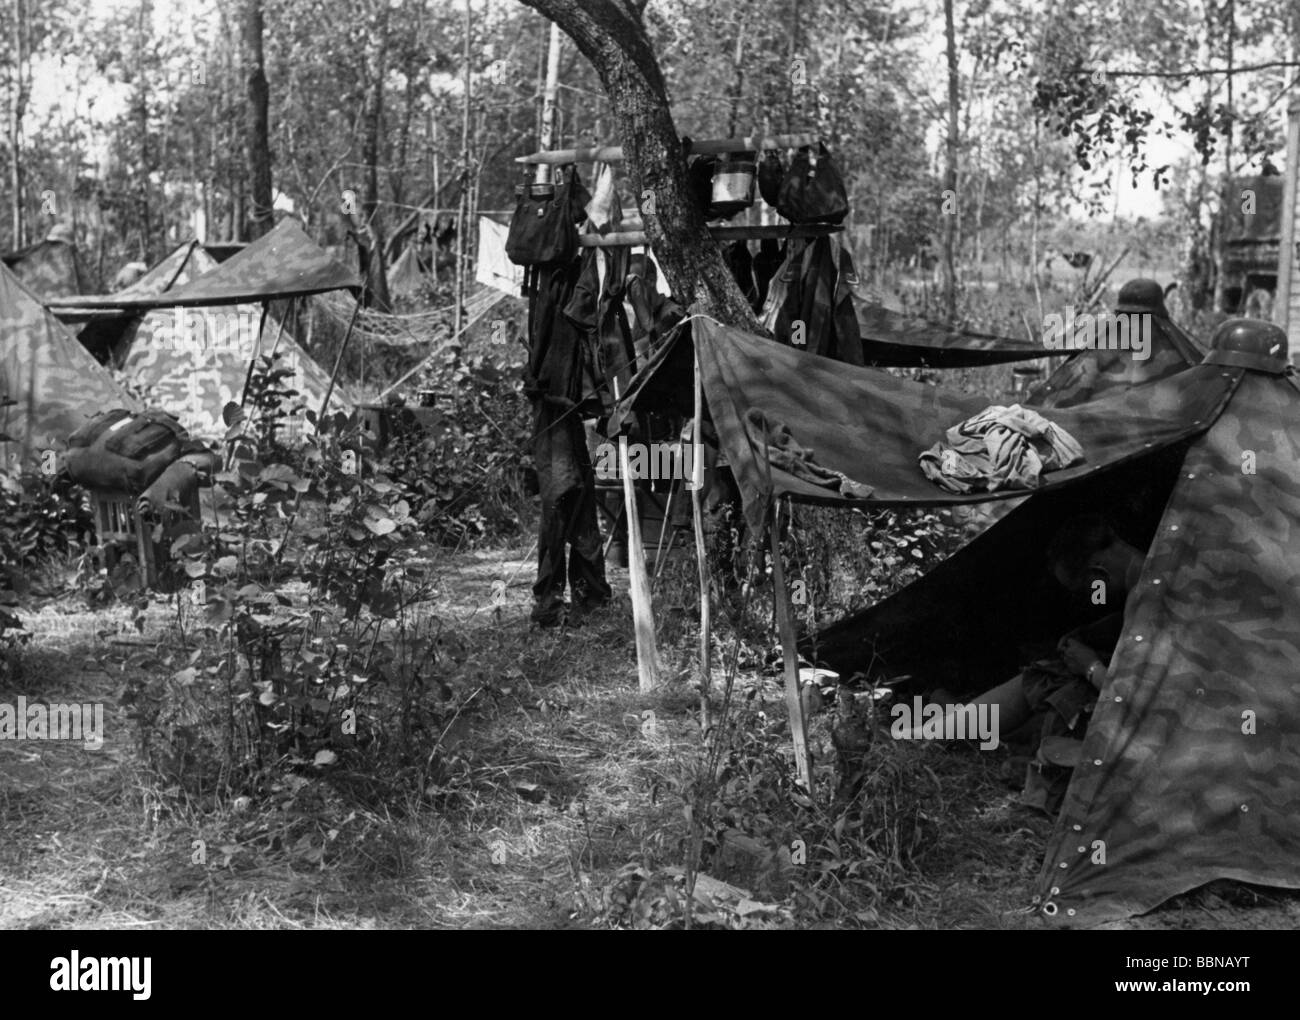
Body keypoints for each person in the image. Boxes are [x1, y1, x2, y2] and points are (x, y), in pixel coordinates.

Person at [906, 514, 1147, 812]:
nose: (1090, 599)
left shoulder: (1149, 598)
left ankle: (938, 733)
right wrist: (1091, 636)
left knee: (1050, 681)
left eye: (1085, 589)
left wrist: (1090, 666)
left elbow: (1137, 698)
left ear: (1098, 571)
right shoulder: (1152, 571)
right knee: (1046, 680)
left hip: (1149, 737)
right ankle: (948, 728)